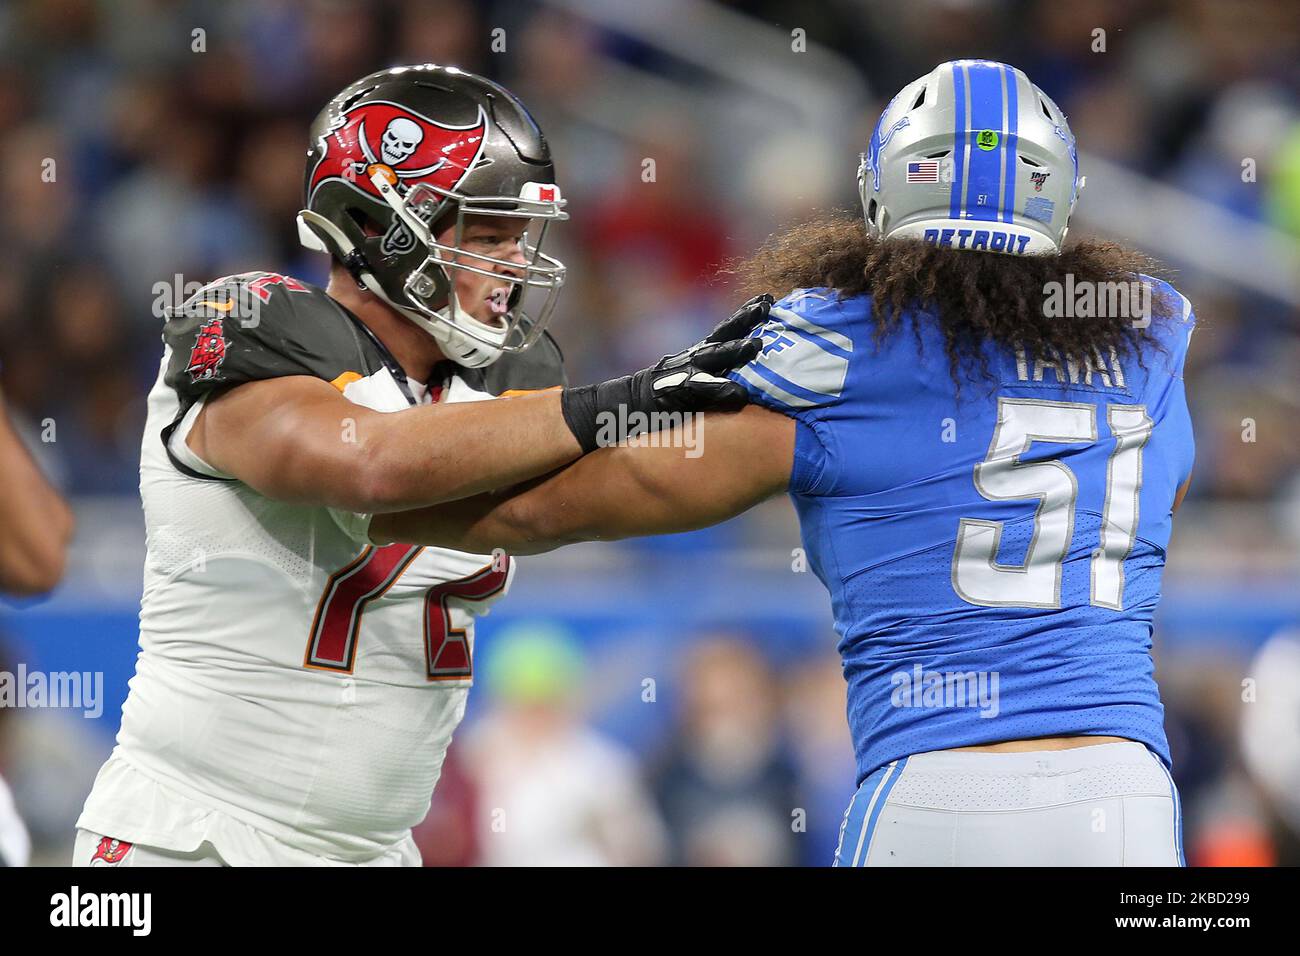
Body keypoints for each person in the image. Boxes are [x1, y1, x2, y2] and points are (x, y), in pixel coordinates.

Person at [366, 60, 1197, 866]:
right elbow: (1165, 491)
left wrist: (364, 504)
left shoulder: (838, 342)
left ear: (884, 187)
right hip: (1120, 787)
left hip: (937, 785)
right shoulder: (1153, 335)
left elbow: (551, 506)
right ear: (1060, 195)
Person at [73, 64, 765, 867]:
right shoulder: (256, 321)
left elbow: (626, 485)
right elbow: (366, 464)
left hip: (377, 851)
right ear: (381, 225)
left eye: (521, 235)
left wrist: (803, 422)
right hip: (195, 836)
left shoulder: (508, 382)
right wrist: (621, 400)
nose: (515, 264)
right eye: (486, 234)